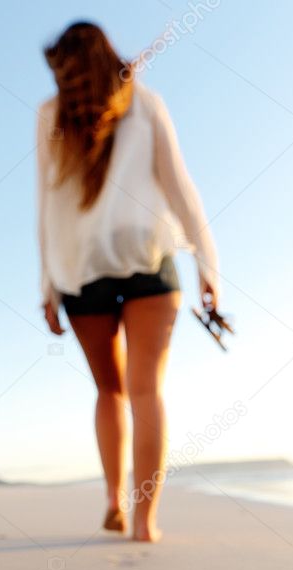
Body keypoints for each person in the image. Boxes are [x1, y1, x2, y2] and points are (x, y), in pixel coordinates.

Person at [37, 21, 219, 542]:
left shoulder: (52, 113)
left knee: (109, 391)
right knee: (145, 391)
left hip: (80, 268)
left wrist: (48, 283)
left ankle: (114, 503)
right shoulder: (144, 101)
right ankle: (144, 522)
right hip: (148, 260)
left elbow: (46, 204)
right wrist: (207, 265)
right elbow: (180, 186)